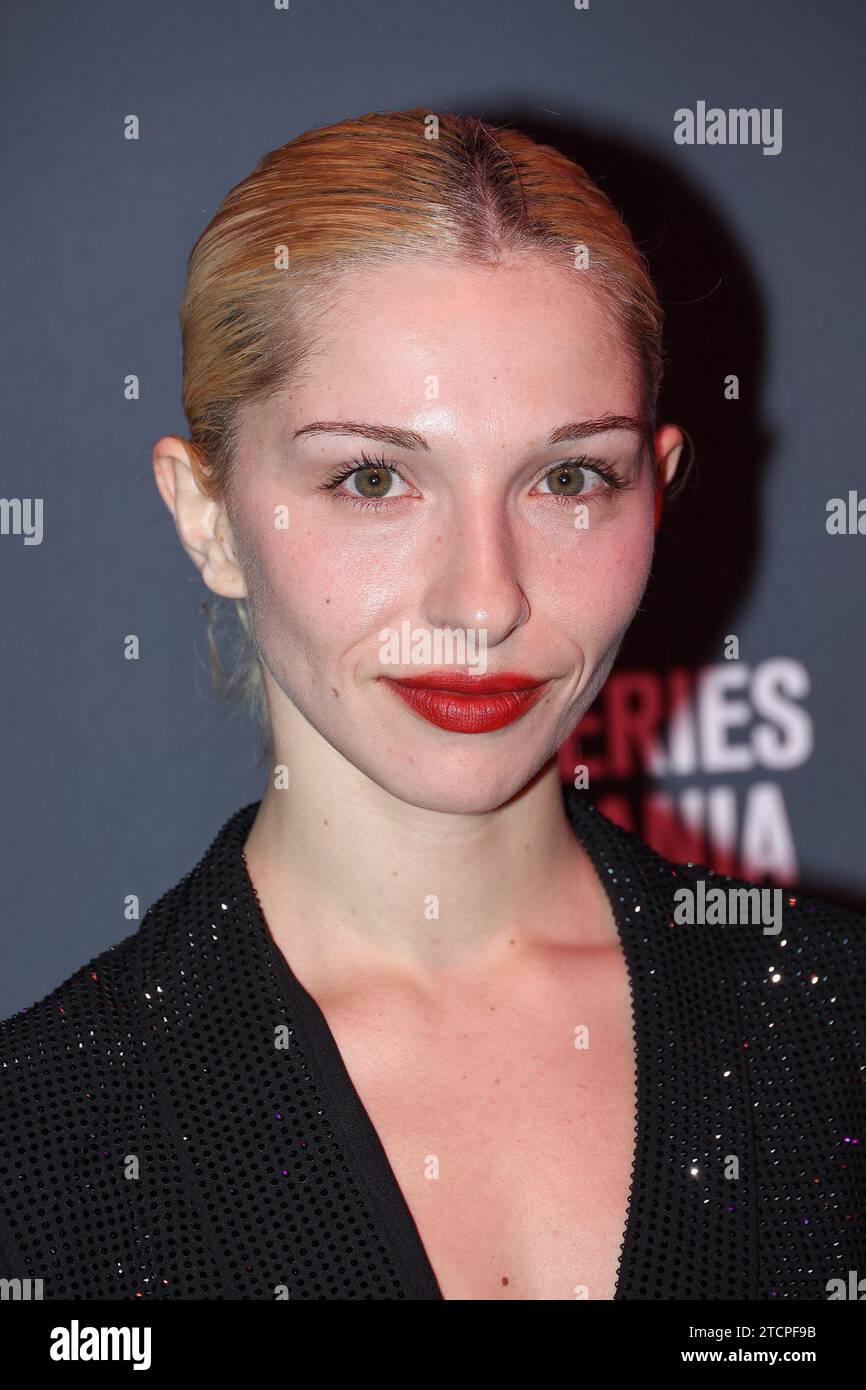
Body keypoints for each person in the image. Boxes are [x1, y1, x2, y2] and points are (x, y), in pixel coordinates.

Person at [1, 109, 863, 1302]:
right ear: (208, 517)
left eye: (569, 478)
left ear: (653, 493)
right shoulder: (46, 1145)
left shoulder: (834, 1037)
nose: (482, 599)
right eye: (371, 477)